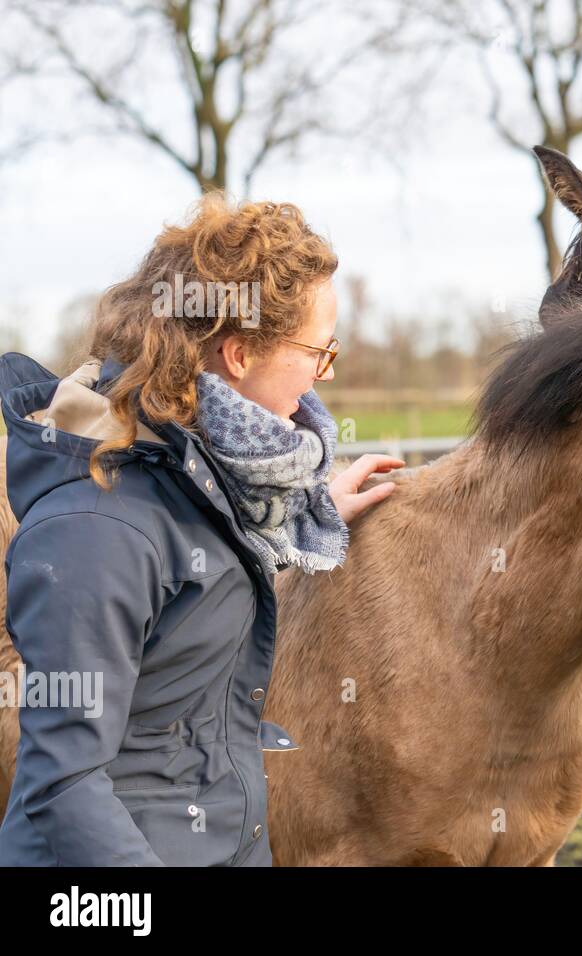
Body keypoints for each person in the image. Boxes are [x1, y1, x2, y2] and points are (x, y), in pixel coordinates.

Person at [0, 195, 403, 865]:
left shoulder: (191, 475)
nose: (320, 378)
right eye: (317, 353)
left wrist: (310, 506)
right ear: (240, 353)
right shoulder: (94, 528)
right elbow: (64, 787)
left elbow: (190, 581)